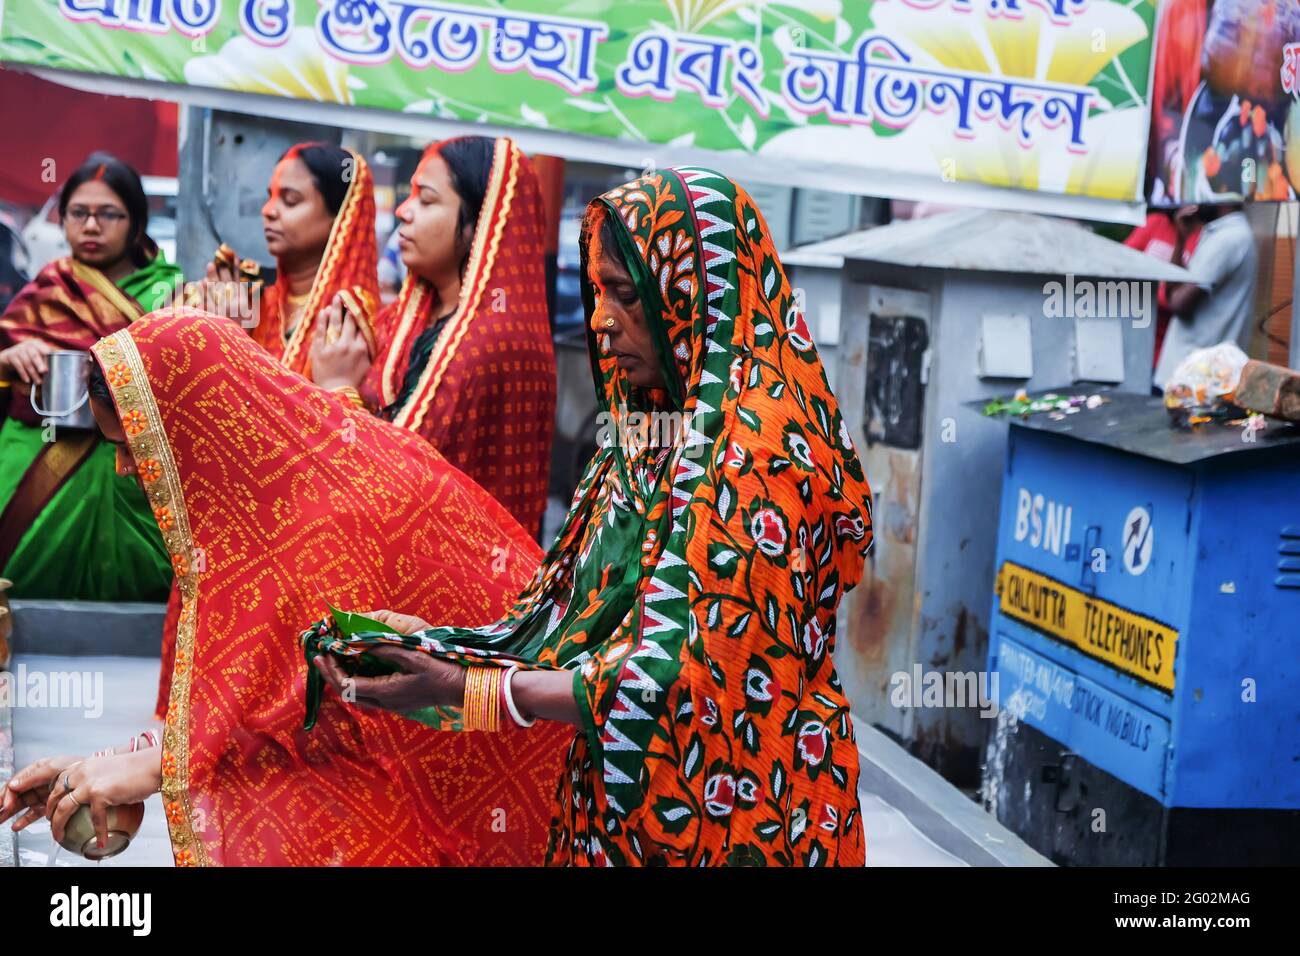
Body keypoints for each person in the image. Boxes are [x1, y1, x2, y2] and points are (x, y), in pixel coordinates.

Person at [308, 167, 875, 866]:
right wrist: (446, 648)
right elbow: (583, 623)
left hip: (738, 820)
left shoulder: (760, 453)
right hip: (626, 812)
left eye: (628, 295)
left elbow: (687, 676)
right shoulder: (653, 431)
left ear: (697, 297)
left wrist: (471, 688)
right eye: (598, 291)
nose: (603, 322)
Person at [0, 309, 571, 865]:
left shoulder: (328, 525)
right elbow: (255, 708)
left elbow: (324, 723)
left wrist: (152, 772)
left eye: (132, 446)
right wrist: (99, 769)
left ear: (198, 427)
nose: (126, 468)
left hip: (488, 784)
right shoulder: (267, 508)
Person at [350, 136, 556, 538]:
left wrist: (339, 388)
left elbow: (399, 480)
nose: (403, 212)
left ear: (480, 222)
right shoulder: (409, 318)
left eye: (426, 200)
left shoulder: (493, 341)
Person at [0, 153, 180, 600]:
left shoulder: (173, 293)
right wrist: (8, 360)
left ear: (137, 223)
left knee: (144, 600)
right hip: (40, 450)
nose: (92, 226)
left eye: (109, 214)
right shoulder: (46, 287)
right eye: (79, 213)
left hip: (135, 467)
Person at [203, 141, 380, 387]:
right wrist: (221, 332)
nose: (268, 211)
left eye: (290, 200)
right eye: (270, 197)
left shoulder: (354, 321)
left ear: (340, 217)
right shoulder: (252, 304)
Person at [1154, 203, 1259, 389]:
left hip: (1191, 379)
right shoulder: (1224, 233)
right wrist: (1181, 239)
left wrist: (1180, 241)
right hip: (1197, 375)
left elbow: (1178, 303)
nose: (1194, 202)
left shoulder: (1227, 239)